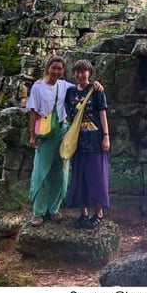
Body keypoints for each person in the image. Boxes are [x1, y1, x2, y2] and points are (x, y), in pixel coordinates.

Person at [26, 55, 103, 226]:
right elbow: (33, 112)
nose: (56, 71)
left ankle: (53, 209)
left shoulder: (65, 86)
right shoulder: (38, 87)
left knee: (61, 173)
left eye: (60, 69)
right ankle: (38, 212)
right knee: (41, 172)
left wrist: (96, 84)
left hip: (62, 131)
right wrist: (32, 134)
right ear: (48, 68)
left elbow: (82, 86)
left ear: (63, 71)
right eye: (53, 68)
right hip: (45, 134)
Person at [64, 59, 110, 229]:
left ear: (89, 73)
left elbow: (102, 114)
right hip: (78, 140)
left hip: (95, 139)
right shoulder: (69, 92)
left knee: (96, 176)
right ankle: (83, 213)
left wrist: (106, 136)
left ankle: (98, 212)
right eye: (77, 71)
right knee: (79, 176)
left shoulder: (97, 90)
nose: (80, 75)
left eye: (83, 71)